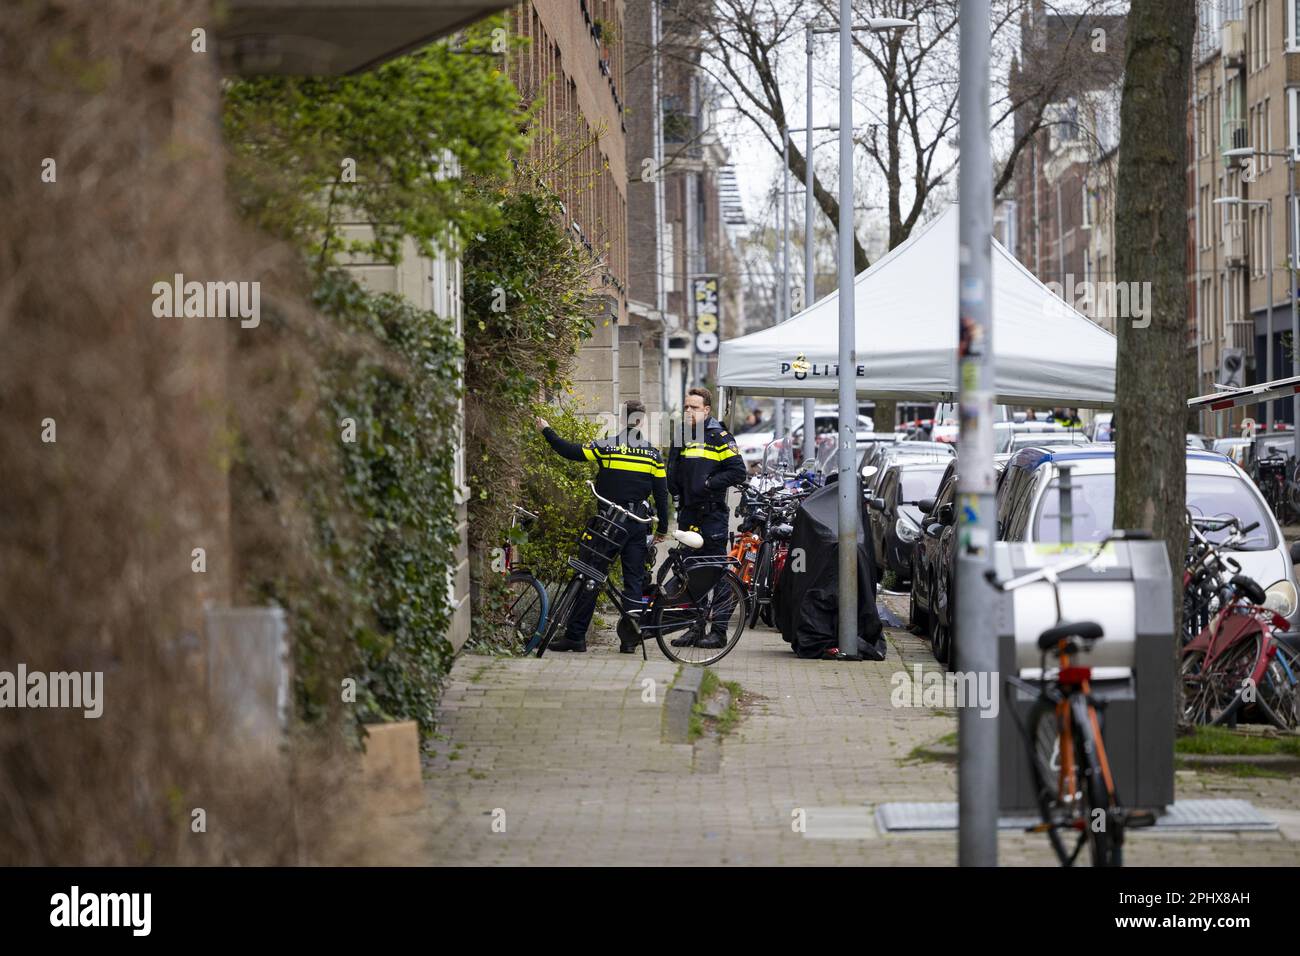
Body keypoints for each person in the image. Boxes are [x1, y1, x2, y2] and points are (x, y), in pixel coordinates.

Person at [535, 401, 668, 653]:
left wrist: (547, 430)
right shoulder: (653, 454)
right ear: (640, 421)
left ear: (622, 419)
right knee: (634, 581)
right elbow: (662, 494)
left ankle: (576, 636)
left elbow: (570, 451)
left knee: (591, 575)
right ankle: (629, 641)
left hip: (609, 523)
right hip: (637, 523)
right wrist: (663, 528)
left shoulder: (607, 447)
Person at [667, 387, 747, 649]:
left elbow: (738, 471)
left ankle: (719, 631)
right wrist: (675, 488)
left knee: (715, 573)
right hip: (689, 514)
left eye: (694, 407)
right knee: (690, 572)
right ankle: (694, 627)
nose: (688, 411)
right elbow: (673, 469)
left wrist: (710, 483)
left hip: (712, 515)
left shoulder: (720, 436)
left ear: (707, 410)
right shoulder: (682, 435)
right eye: (686, 407)